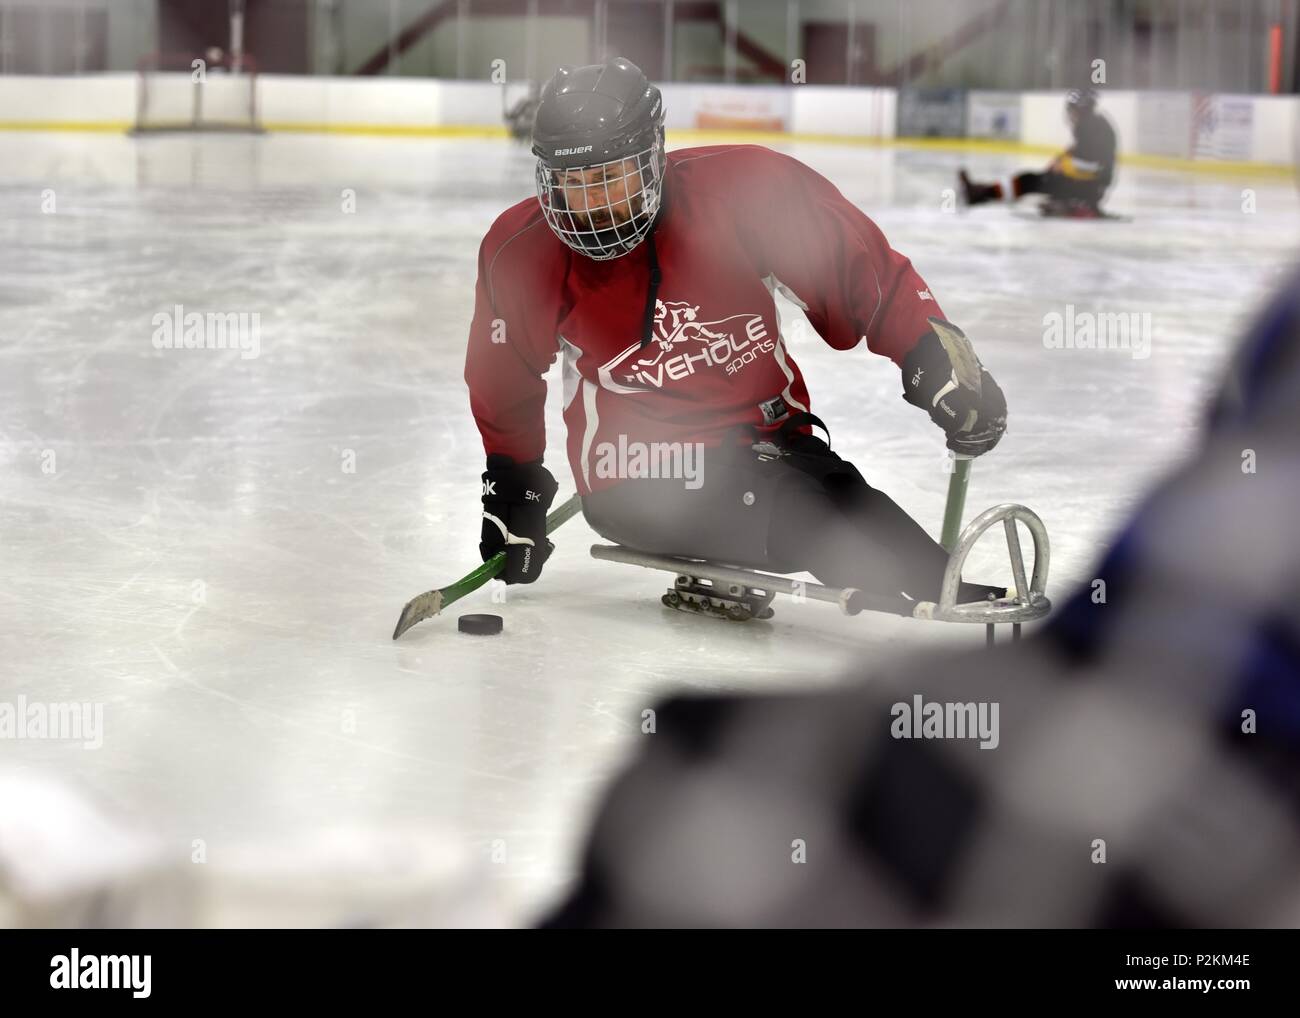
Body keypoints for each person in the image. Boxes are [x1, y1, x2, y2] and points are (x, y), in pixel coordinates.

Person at [465, 57, 1009, 607]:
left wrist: (934, 360)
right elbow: (503, 378)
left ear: (652, 155)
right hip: (637, 469)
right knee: (811, 516)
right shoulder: (522, 251)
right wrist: (514, 487)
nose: (587, 206)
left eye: (606, 177)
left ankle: (946, 587)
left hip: (771, 439)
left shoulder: (748, 192)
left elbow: (866, 278)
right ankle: (931, 592)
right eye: (568, 182)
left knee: (848, 500)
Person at [959, 88, 1117, 217]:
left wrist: (1063, 165)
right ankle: (1066, 203)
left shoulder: (1089, 127)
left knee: (1028, 181)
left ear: (1081, 110)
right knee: (1033, 181)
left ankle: (981, 194)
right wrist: (1064, 159)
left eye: (1072, 110)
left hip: (1089, 188)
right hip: (1090, 186)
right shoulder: (1093, 125)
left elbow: (1094, 166)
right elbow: (1086, 153)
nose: (1070, 114)